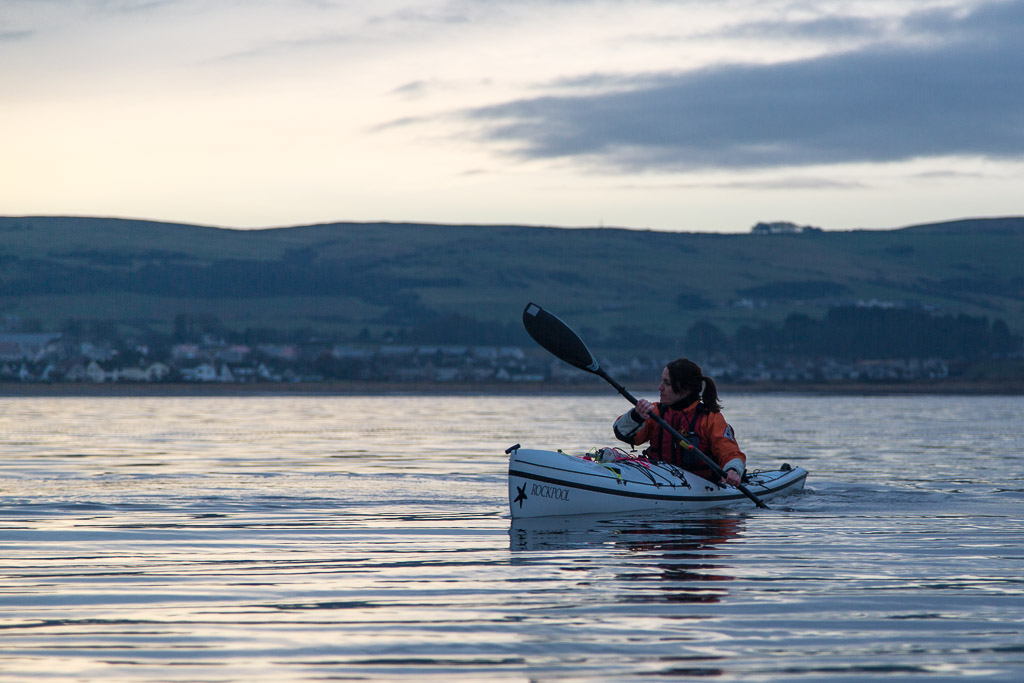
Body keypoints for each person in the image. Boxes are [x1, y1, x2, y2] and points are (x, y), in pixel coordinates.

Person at [613, 358, 745, 486]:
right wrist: (636, 416)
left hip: (701, 485)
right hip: (658, 479)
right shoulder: (655, 412)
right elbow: (621, 433)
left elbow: (730, 453)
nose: (660, 387)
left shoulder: (710, 418)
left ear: (685, 388)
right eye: (661, 381)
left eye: (667, 383)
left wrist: (733, 471)